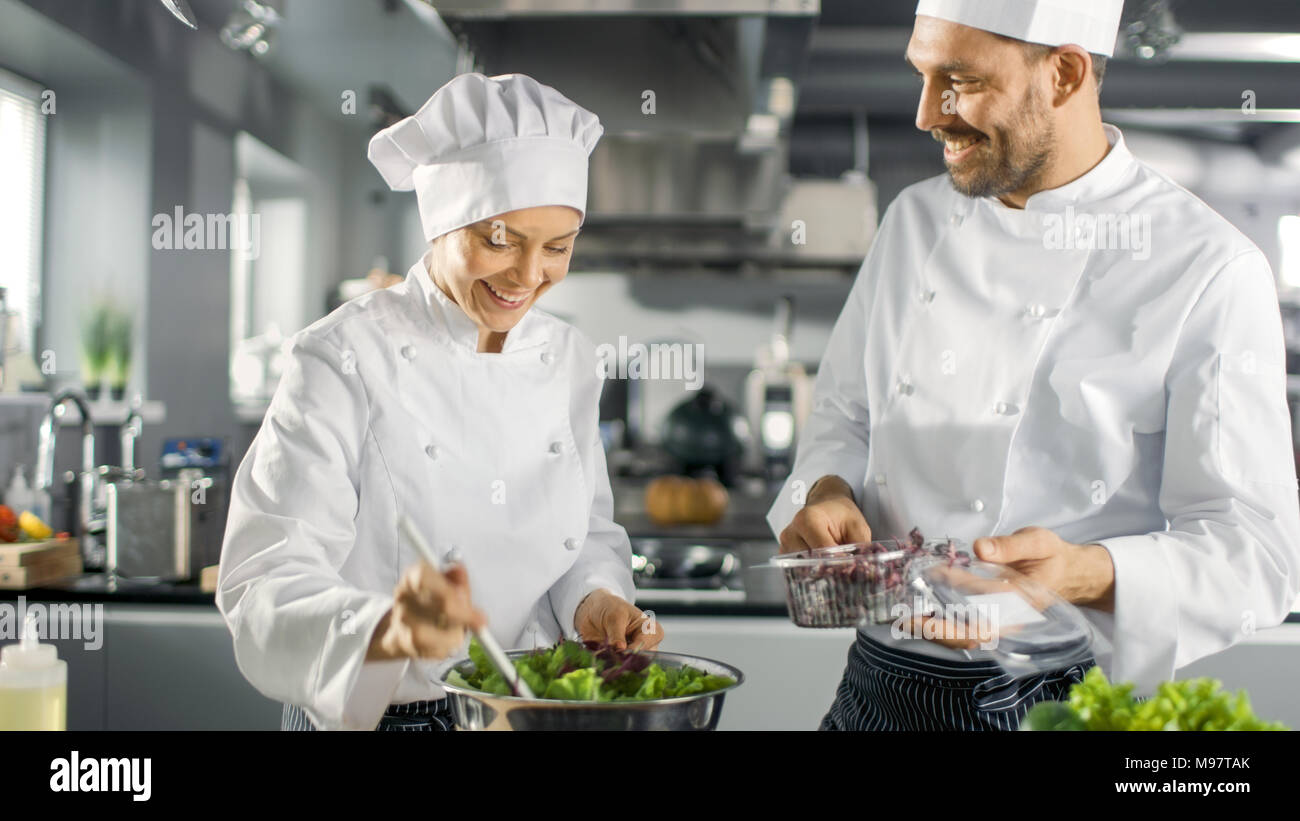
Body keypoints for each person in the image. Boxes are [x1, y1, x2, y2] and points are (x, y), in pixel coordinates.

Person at [768, 0, 1300, 731]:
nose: (928, 113)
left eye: (959, 80)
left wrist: (1079, 572)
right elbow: (845, 418)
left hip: (1063, 698)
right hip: (878, 686)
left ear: (1066, 72)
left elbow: (1256, 552)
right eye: (924, 76)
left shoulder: (1208, 265)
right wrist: (827, 489)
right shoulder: (913, 222)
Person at [217, 72, 662, 732]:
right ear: (441, 221)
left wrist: (594, 599)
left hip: (524, 707)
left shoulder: (568, 358)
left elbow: (584, 533)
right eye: (500, 240)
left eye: (558, 248)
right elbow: (265, 580)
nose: (528, 275)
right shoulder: (344, 355)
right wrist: (389, 628)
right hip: (385, 716)